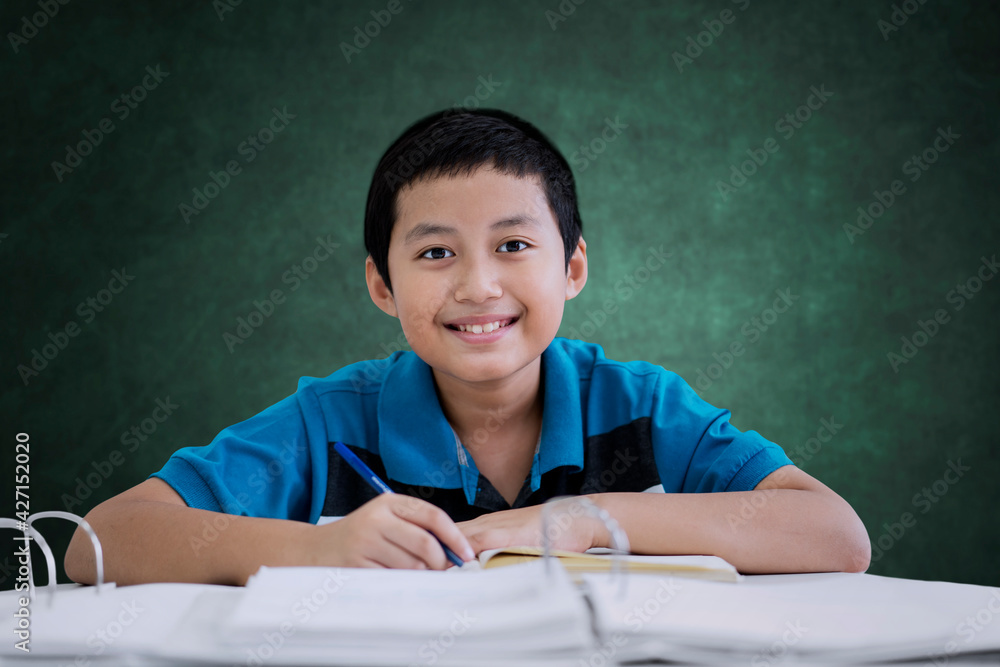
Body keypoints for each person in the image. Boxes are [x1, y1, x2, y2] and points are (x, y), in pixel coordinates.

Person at [65, 108, 870, 586]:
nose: (480, 286)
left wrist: (588, 519)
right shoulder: (331, 421)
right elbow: (97, 542)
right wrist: (319, 545)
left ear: (574, 266)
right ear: (382, 285)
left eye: (514, 245)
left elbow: (835, 534)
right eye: (436, 252)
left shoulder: (642, 407)